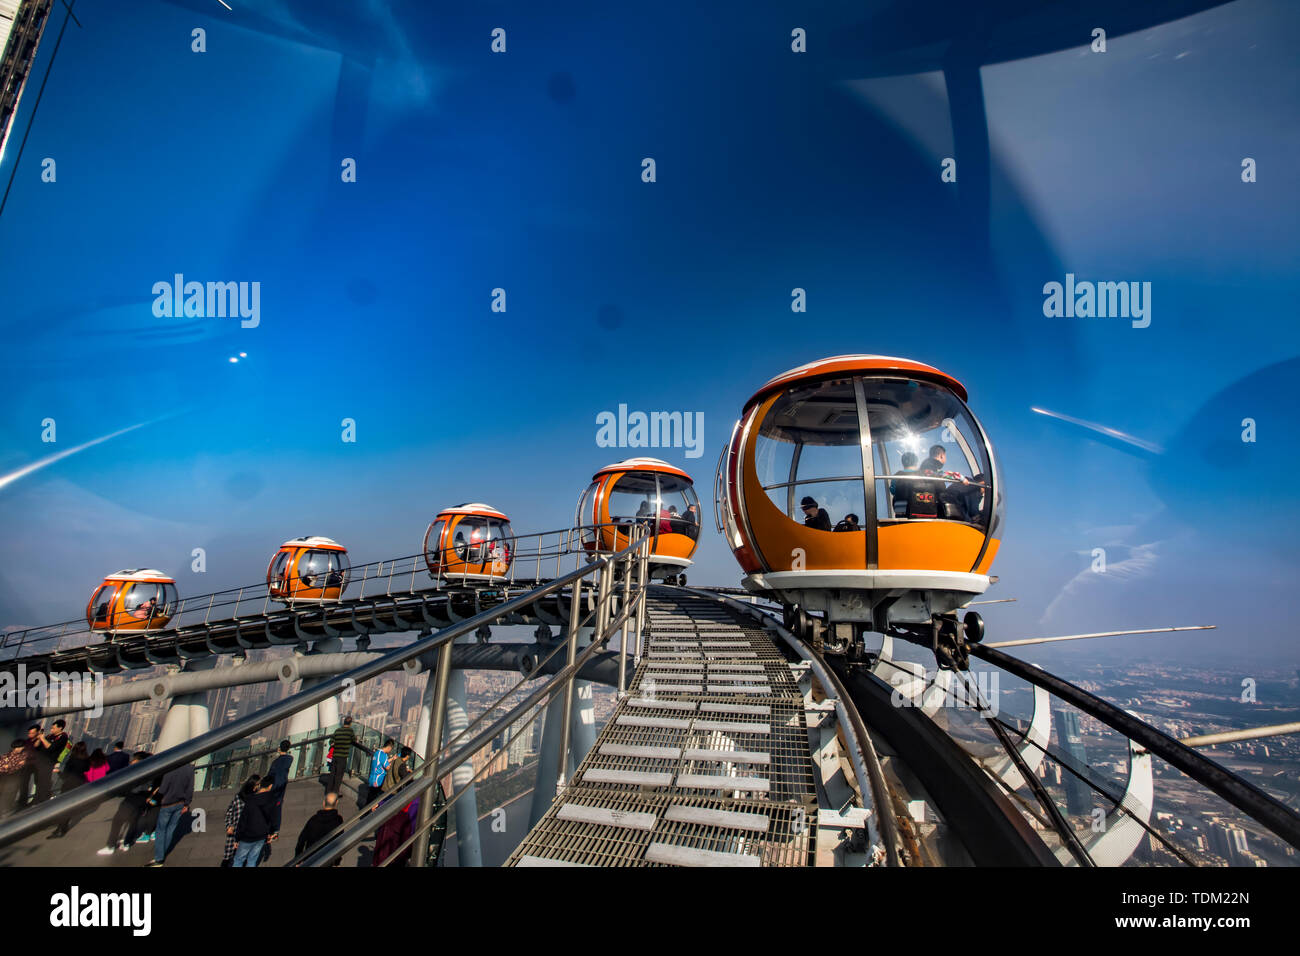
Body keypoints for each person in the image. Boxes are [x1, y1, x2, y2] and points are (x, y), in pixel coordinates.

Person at [97, 752, 155, 855]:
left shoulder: (138, 771)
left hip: (132, 800)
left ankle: (111, 846)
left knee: (117, 821)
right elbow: (149, 786)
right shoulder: (150, 770)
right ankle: (127, 843)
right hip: (141, 800)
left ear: (138, 761)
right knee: (133, 822)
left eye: (134, 760)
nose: (131, 762)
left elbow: (136, 788)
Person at [147, 762, 194, 866]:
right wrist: (187, 804)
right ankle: (163, 853)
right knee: (171, 829)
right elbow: (190, 788)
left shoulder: (170, 768)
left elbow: (163, 788)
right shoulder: (190, 768)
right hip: (180, 803)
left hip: (167, 803)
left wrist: (153, 798)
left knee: (161, 830)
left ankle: (159, 858)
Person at [231, 776, 278, 867]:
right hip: (261, 835)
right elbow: (273, 818)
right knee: (252, 860)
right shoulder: (272, 799)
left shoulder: (251, 800)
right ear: (270, 786)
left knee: (238, 860)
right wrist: (272, 832)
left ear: (260, 785)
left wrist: (237, 838)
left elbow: (243, 821)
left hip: (248, 836)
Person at [49, 741, 90, 838]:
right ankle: (62, 827)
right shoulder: (86, 760)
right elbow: (87, 769)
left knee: (63, 807)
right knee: (70, 807)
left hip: (69, 785)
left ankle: (60, 829)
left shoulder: (72, 759)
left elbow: (66, 774)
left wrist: (58, 772)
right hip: (79, 784)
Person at [295, 792, 344, 865]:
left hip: (311, 858)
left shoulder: (313, 820)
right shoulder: (338, 821)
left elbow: (301, 840)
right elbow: (338, 843)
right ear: (336, 803)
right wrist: (337, 862)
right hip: (328, 858)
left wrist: (298, 860)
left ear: (324, 803)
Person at [221, 775, 259, 867]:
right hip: (234, 833)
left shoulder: (256, 798)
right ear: (251, 785)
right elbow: (229, 813)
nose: (258, 787)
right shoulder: (239, 798)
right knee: (228, 858)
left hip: (247, 834)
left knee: (243, 858)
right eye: (257, 784)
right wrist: (229, 826)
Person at [267, 740, 293, 832]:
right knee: (278, 805)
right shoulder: (290, 758)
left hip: (274, 785)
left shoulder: (275, 762)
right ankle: (276, 829)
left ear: (279, 748)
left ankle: (271, 827)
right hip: (282, 783)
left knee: (272, 806)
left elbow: (270, 774)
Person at [0, 739, 29, 819]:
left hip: (14, 776)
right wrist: (7, 767)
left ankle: (5, 810)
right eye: (18, 747)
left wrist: (8, 766)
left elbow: (18, 766)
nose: (20, 749)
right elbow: (2, 765)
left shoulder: (23, 755)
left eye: (21, 747)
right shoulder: (6, 755)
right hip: (4, 775)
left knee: (9, 793)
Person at [328, 717, 355, 796]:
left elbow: (331, 741)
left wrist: (336, 743)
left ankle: (328, 791)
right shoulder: (350, 731)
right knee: (339, 775)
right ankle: (335, 792)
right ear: (350, 723)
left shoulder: (337, 730)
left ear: (344, 722)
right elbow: (353, 740)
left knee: (333, 773)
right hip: (343, 756)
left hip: (335, 755)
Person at [366, 739, 394, 806]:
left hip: (372, 778)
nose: (390, 751)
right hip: (378, 780)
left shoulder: (377, 752)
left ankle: (365, 813)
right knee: (374, 798)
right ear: (389, 747)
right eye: (391, 749)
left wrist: (392, 759)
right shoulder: (383, 755)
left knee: (370, 797)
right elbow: (387, 767)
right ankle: (367, 814)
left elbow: (382, 762)